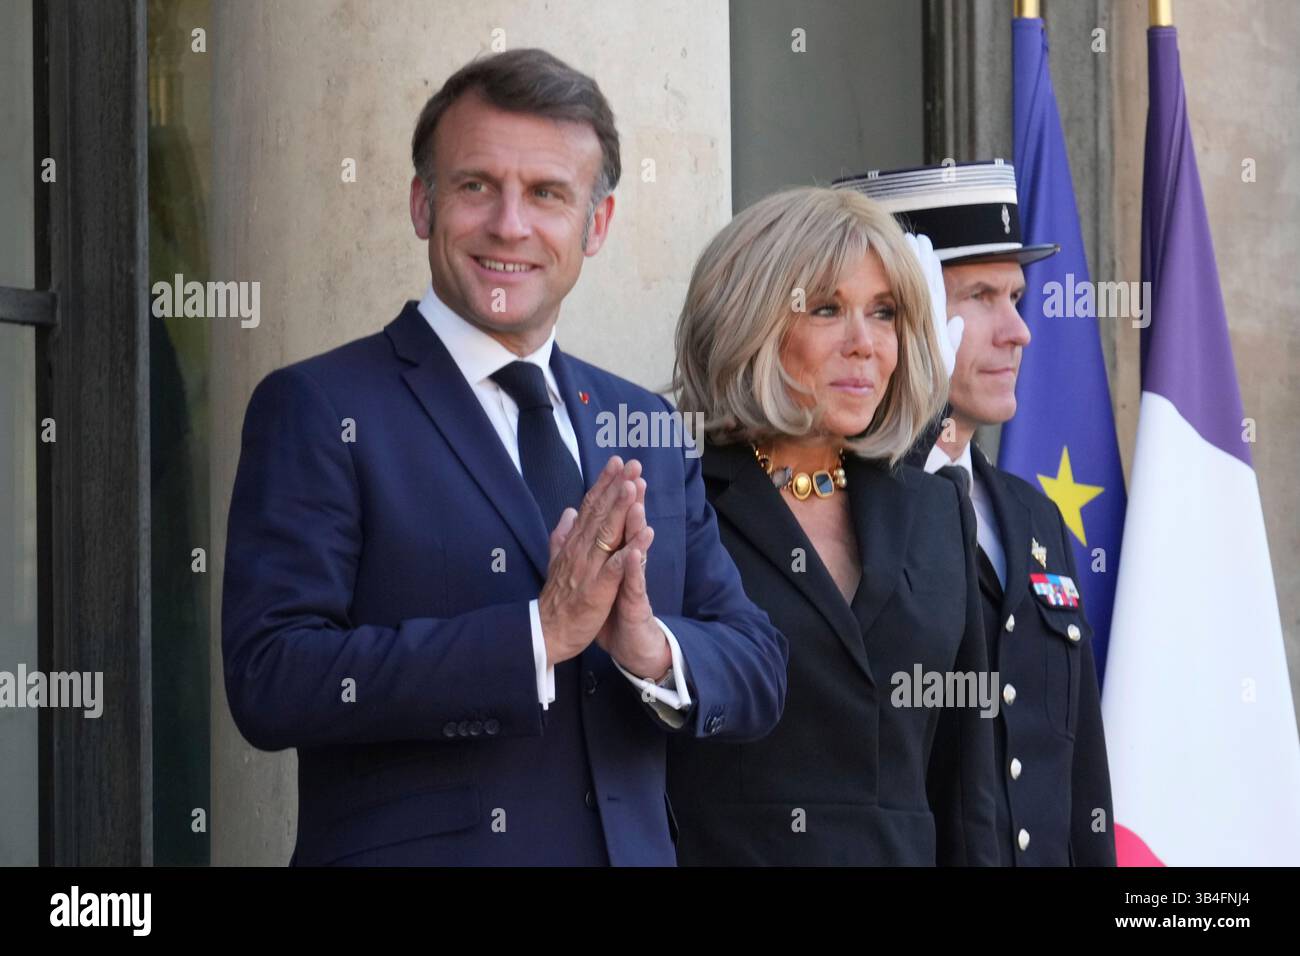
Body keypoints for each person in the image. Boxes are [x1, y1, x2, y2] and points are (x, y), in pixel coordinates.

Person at [221, 48, 787, 867]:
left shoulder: (646, 425)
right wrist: (535, 636)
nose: (510, 225)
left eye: (548, 194)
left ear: (596, 225)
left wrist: (648, 647)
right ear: (423, 204)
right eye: (476, 185)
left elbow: (759, 663)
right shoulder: (320, 408)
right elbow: (272, 680)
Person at [666, 186, 1000, 865]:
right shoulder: (672, 491)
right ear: (748, 319)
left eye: (885, 314)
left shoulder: (936, 509)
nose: (865, 345)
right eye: (827, 310)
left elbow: (967, 781)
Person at [834, 160, 1116, 866]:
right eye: (981, 296)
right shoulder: (837, 504)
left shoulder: (1032, 515)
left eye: (1016, 295)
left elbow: (1081, 776)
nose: (1017, 330)